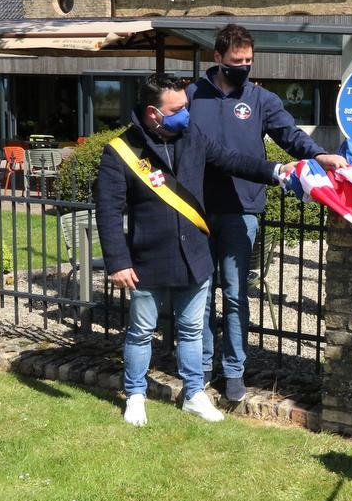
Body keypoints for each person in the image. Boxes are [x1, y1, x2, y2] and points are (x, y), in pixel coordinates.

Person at [95, 73, 285, 427]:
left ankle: (194, 393)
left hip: (195, 255)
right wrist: (118, 262)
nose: (187, 112)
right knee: (140, 332)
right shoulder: (121, 150)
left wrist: (277, 170)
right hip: (147, 259)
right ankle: (135, 394)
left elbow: (231, 159)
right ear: (154, 113)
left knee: (192, 329)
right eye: (178, 108)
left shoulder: (192, 135)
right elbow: (108, 211)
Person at [188, 24, 346, 405]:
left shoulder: (262, 100)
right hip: (197, 208)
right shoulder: (193, 95)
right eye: (235, 61)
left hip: (242, 209)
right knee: (201, 292)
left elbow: (290, 135)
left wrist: (317, 154)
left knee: (237, 292)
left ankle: (234, 370)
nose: (243, 67)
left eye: (248, 61)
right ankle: (203, 366)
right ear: (217, 58)